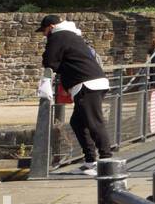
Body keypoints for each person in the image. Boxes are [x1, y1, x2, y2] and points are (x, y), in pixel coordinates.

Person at [38, 15, 111, 177]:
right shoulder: (71, 35)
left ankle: (107, 161)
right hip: (92, 82)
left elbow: (49, 61)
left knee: (94, 122)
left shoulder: (57, 35)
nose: (44, 35)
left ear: (51, 26)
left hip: (87, 84)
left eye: (44, 31)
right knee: (77, 123)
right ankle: (90, 161)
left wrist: (55, 65)